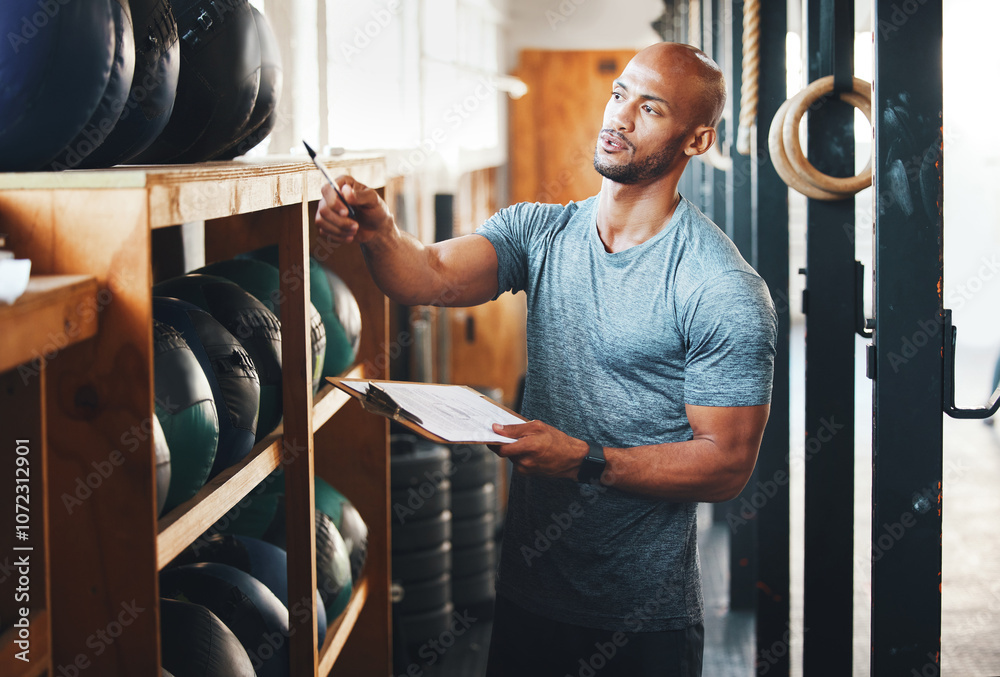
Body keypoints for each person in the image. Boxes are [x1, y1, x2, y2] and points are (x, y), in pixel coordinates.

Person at [315, 42, 777, 677]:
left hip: (642, 621)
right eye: (619, 94)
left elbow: (725, 465)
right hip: (528, 597)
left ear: (697, 140)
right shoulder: (540, 232)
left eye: (651, 108)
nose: (620, 117)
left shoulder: (721, 287)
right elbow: (429, 274)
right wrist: (380, 234)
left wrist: (584, 459)